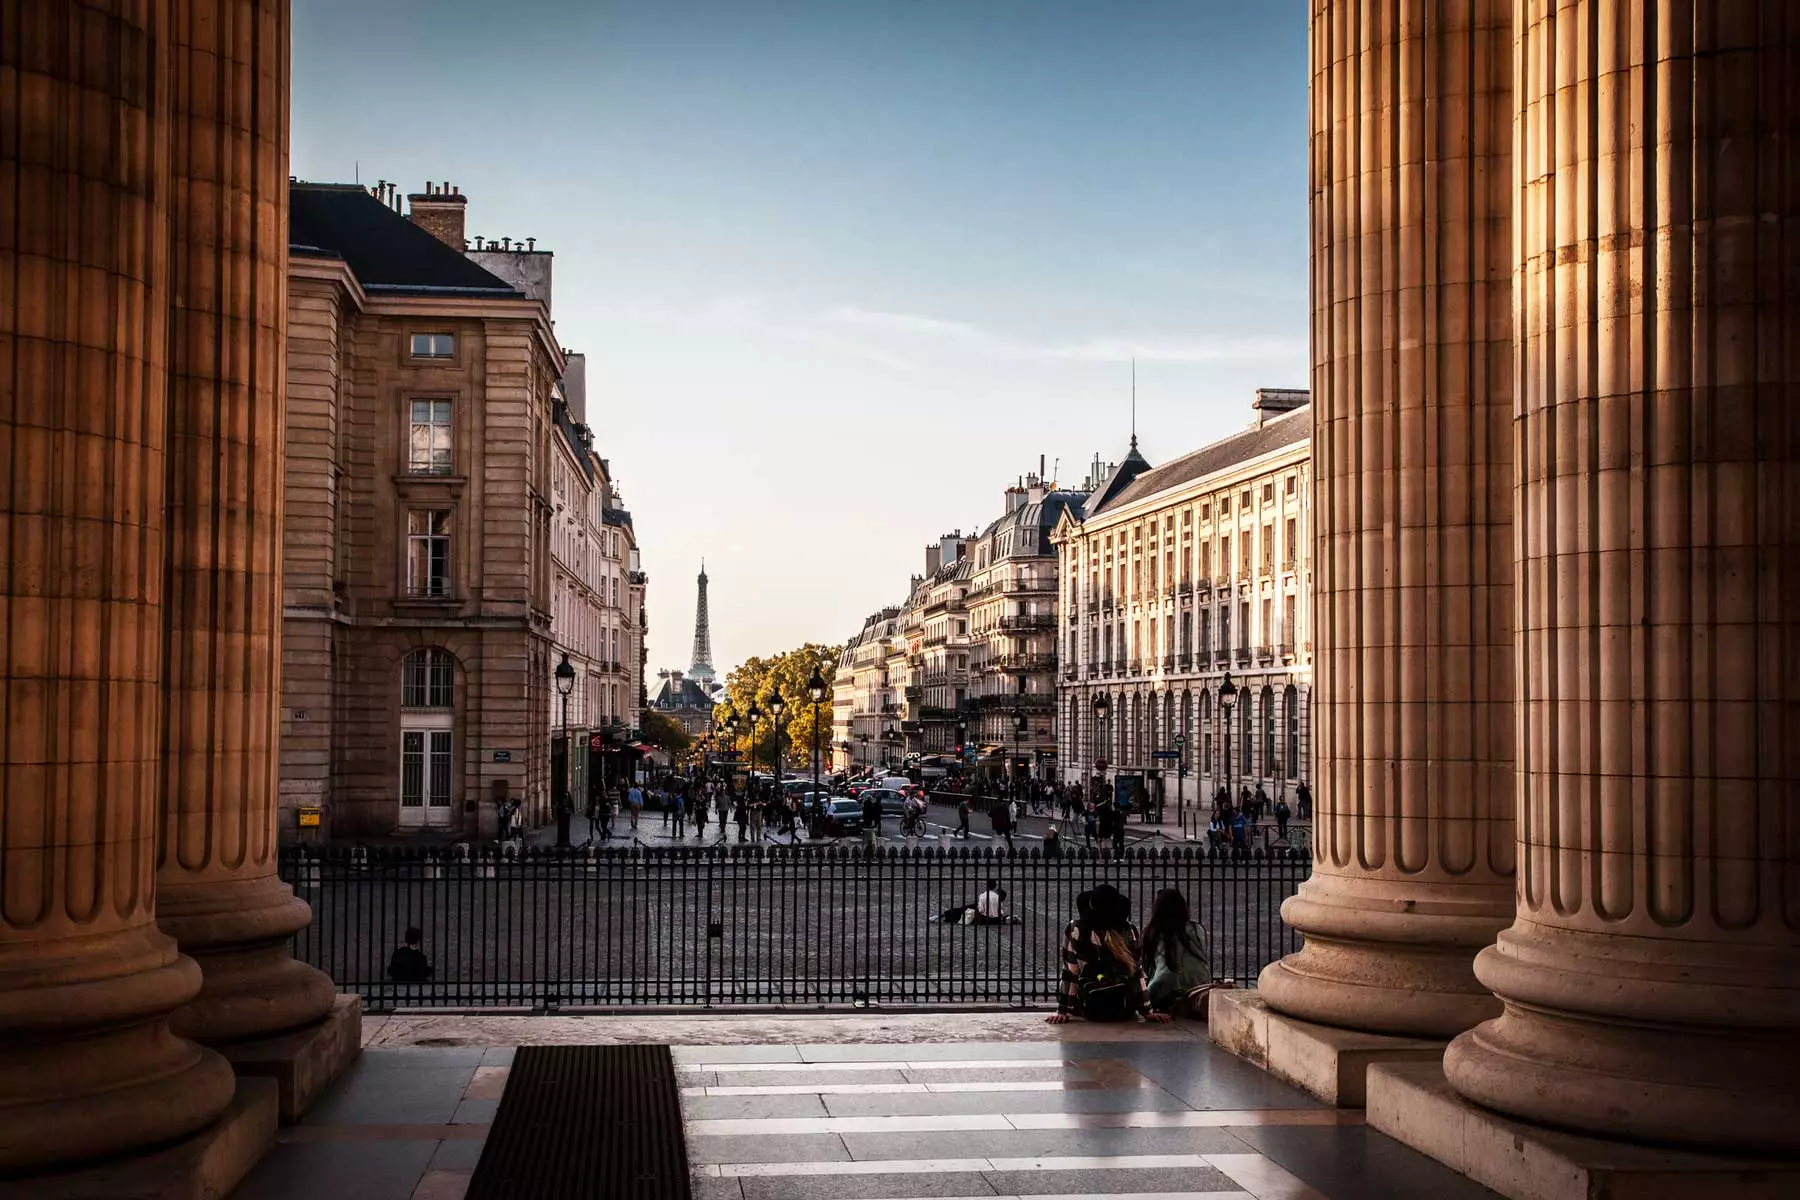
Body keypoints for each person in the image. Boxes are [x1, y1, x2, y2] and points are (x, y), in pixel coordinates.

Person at [1046, 885, 1168, 1025]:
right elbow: (1137, 973)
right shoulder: (1129, 931)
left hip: (1088, 1006)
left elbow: (1071, 973)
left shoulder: (1076, 930)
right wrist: (1147, 1011)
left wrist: (1063, 1011)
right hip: (1123, 1007)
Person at [1139, 888, 1213, 1017]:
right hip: (1201, 986)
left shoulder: (1154, 931)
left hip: (1168, 988)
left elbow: (1154, 970)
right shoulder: (1197, 929)